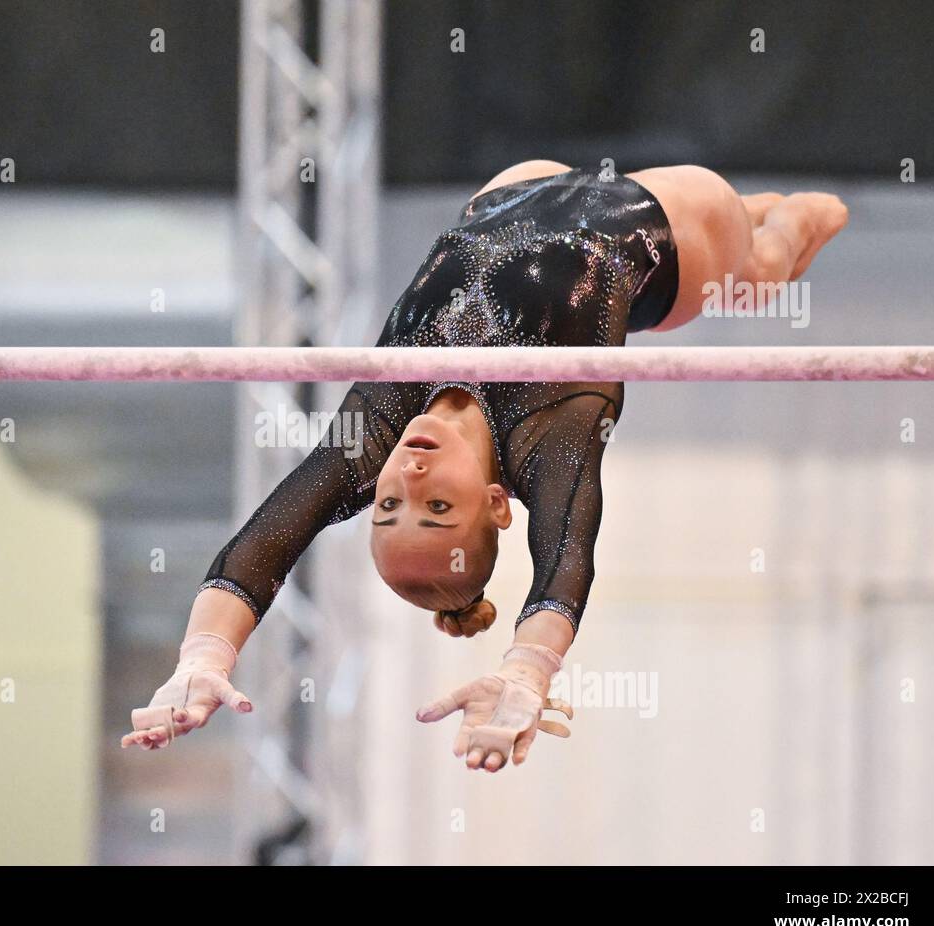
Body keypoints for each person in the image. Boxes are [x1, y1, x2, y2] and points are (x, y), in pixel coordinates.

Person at [123, 160, 848, 771]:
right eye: (439, 508)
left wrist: (205, 655)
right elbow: (567, 551)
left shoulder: (375, 428)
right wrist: (527, 670)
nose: (409, 481)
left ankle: (763, 220)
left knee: (696, 223)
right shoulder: (550, 428)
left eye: (388, 507)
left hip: (511, 191)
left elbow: (270, 536)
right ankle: (790, 227)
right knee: (757, 265)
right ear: (500, 504)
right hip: (664, 228)